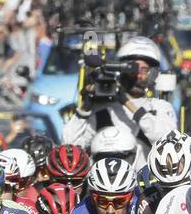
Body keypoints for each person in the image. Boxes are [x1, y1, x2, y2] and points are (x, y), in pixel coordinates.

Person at [61, 36, 177, 169]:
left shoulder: (159, 107)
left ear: (153, 73)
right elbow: (69, 146)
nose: (137, 75)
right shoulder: (103, 110)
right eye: (132, 69)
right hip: (106, 184)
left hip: (145, 185)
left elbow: (167, 142)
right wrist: (85, 107)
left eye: (143, 70)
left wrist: (126, 101)